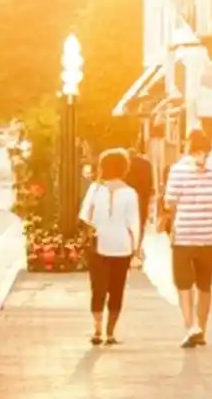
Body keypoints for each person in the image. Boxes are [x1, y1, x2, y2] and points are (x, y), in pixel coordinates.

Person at [163, 128, 212, 348]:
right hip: (209, 236)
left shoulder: (177, 171)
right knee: (205, 285)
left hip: (183, 236)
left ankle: (189, 325)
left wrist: (172, 225)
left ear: (187, 147)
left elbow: (170, 202)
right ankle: (202, 328)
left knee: (184, 285)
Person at [78, 148, 141, 347]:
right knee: (117, 289)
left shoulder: (95, 189)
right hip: (122, 247)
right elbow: (134, 224)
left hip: (98, 245)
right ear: (124, 168)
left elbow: (84, 217)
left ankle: (96, 329)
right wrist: (137, 248)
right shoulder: (131, 193)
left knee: (98, 288)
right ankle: (110, 333)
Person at [125, 147, 155, 267]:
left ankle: (129, 251)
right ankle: (137, 250)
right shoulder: (146, 164)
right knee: (140, 224)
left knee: (127, 225)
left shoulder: (125, 164)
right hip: (142, 198)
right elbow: (150, 183)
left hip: (127, 198)